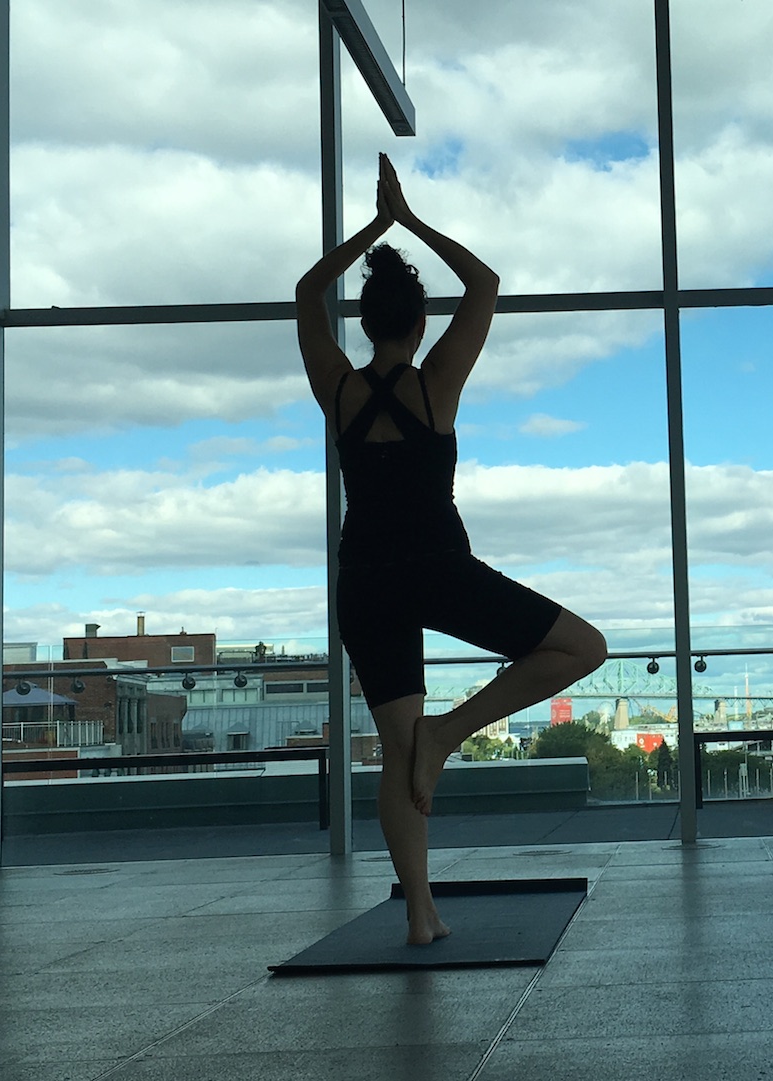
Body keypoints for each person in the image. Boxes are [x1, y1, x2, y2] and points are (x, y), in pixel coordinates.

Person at [296, 154, 607, 944]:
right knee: (584, 646)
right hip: (437, 567)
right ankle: (453, 732)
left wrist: (373, 228)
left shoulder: (339, 390)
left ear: (365, 323)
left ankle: (422, 915)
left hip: (364, 578)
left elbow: (305, 294)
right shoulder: (437, 385)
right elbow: (486, 284)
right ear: (419, 323)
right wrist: (408, 221)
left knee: (398, 746)